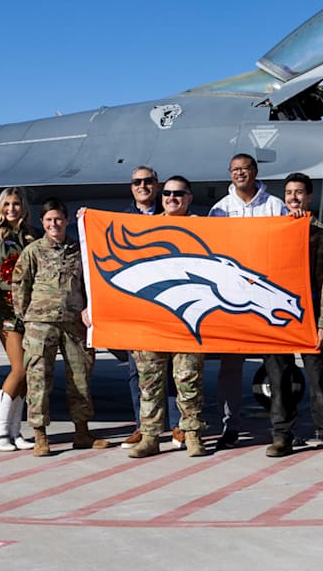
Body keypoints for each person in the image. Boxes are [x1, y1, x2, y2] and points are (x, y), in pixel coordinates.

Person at [13, 198, 109, 456]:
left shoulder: (79, 251)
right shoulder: (33, 251)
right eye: (48, 220)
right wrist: (27, 318)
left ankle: (82, 431)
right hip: (41, 323)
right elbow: (20, 285)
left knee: (80, 377)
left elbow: (90, 284)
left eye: (58, 219)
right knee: (38, 379)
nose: (54, 224)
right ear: (42, 223)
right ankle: (40, 434)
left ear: (66, 221)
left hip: (74, 322)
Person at [126, 176, 209, 458]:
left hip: (186, 320)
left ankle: (193, 433)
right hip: (152, 318)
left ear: (189, 198)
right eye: (168, 194)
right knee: (149, 381)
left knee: (188, 379)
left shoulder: (203, 228)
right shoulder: (145, 228)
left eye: (179, 194)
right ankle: (150, 436)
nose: (172, 198)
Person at [209, 153, 287, 451]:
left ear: (255, 171)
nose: (240, 174)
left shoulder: (274, 206)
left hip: (266, 293)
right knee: (230, 367)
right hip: (232, 299)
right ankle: (230, 426)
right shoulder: (220, 210)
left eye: (245, 169)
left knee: (275, 364)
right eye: (235, 170)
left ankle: (281, 428)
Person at [264, 172, 323, 457]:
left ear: (309, 196)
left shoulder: (322, 235)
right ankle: (282, 435)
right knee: (278, 379)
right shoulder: (272, 233)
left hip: (309, 319)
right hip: (278, 319)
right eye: (288, 193)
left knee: (319, 379)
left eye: (299, 192)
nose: (293, 198)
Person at [0, 187, 38, 452]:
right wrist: (10, 286)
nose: (12, 209)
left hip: (30, 313)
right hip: (7, 312)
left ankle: (15, 431)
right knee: (19, 369)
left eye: (16, 204)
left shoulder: (30, 236)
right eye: (7, 204)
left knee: (28, 371)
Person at [118, 165, 163, 449]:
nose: (143, 186)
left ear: (156, 185)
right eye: (137, 182)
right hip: (136, 307)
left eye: (148, 181)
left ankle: (175, 427)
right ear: (131, 186)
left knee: (170, 368)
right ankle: (142, 425)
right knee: (138, 369)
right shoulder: (119, 220)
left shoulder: (171, 214)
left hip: (167, 305)